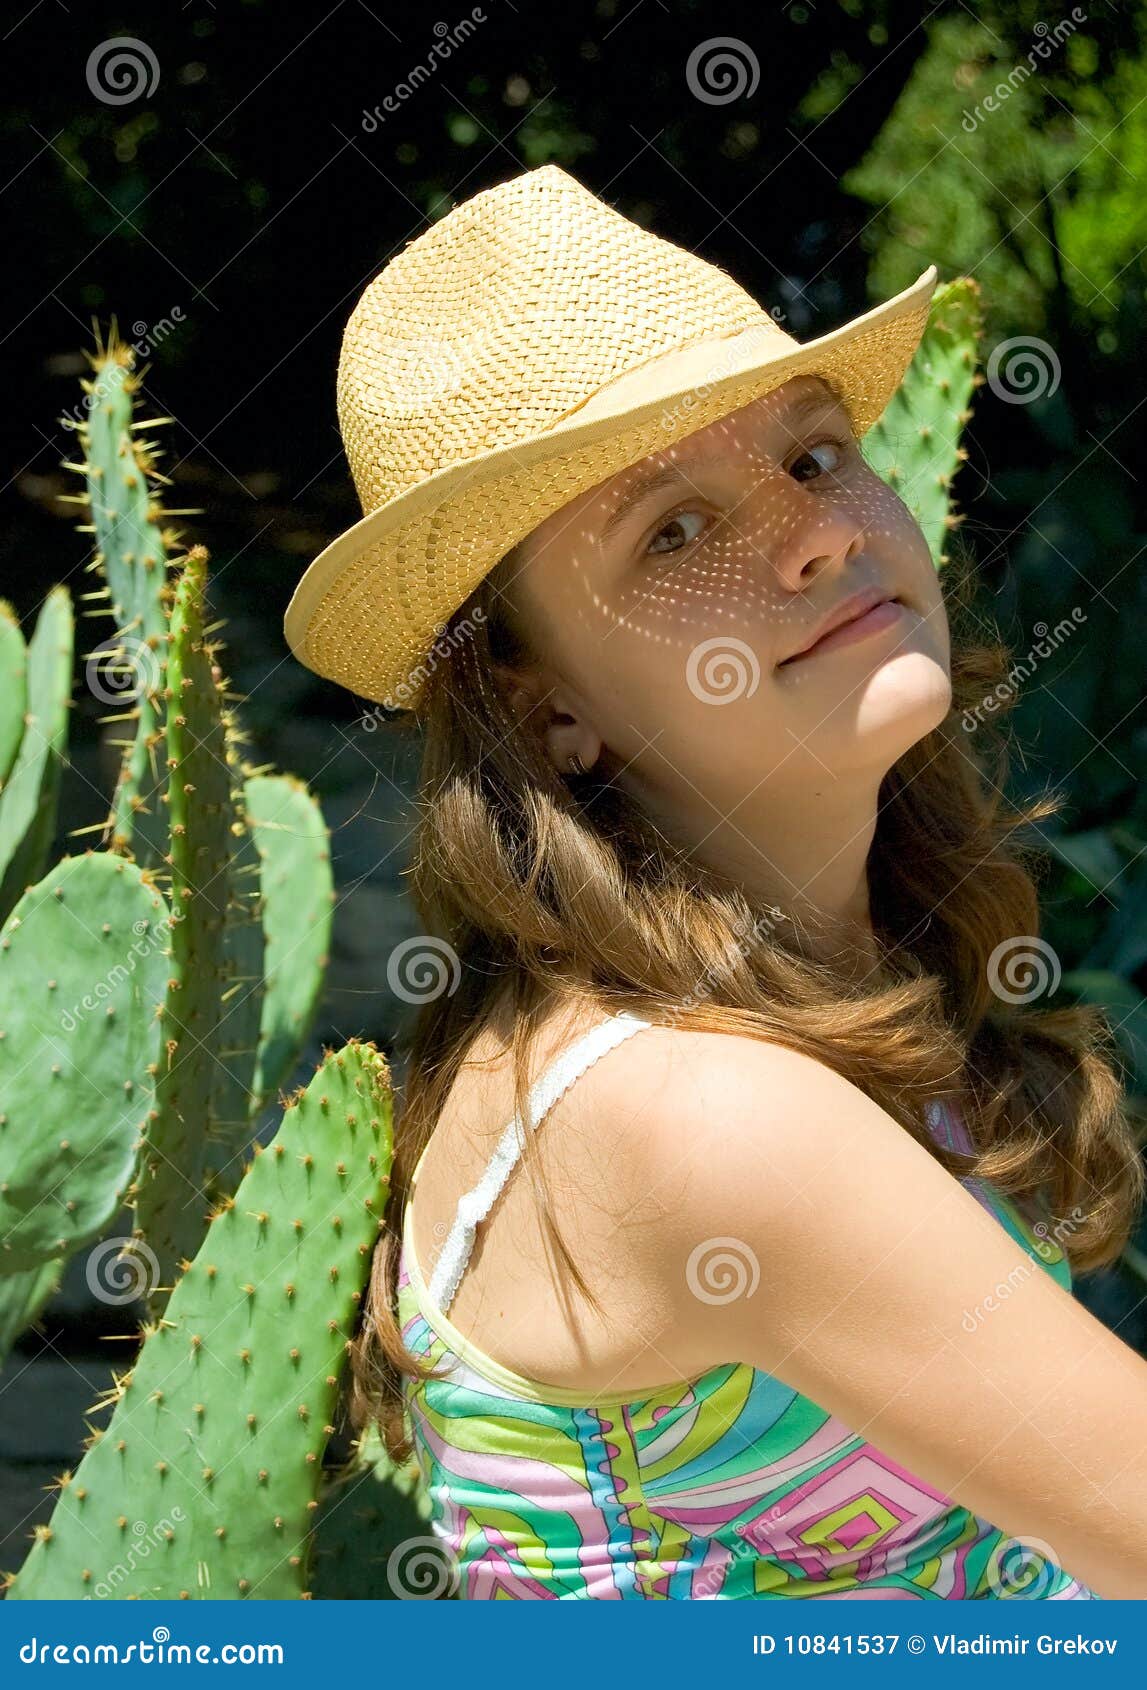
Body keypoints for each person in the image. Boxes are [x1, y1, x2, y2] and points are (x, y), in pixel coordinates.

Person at [285, 164, 1147, 1600]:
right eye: (672, 531)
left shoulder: (756, 1005)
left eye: (812, 456)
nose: (819, 531)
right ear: (546, 703)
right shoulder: (704, 1118)